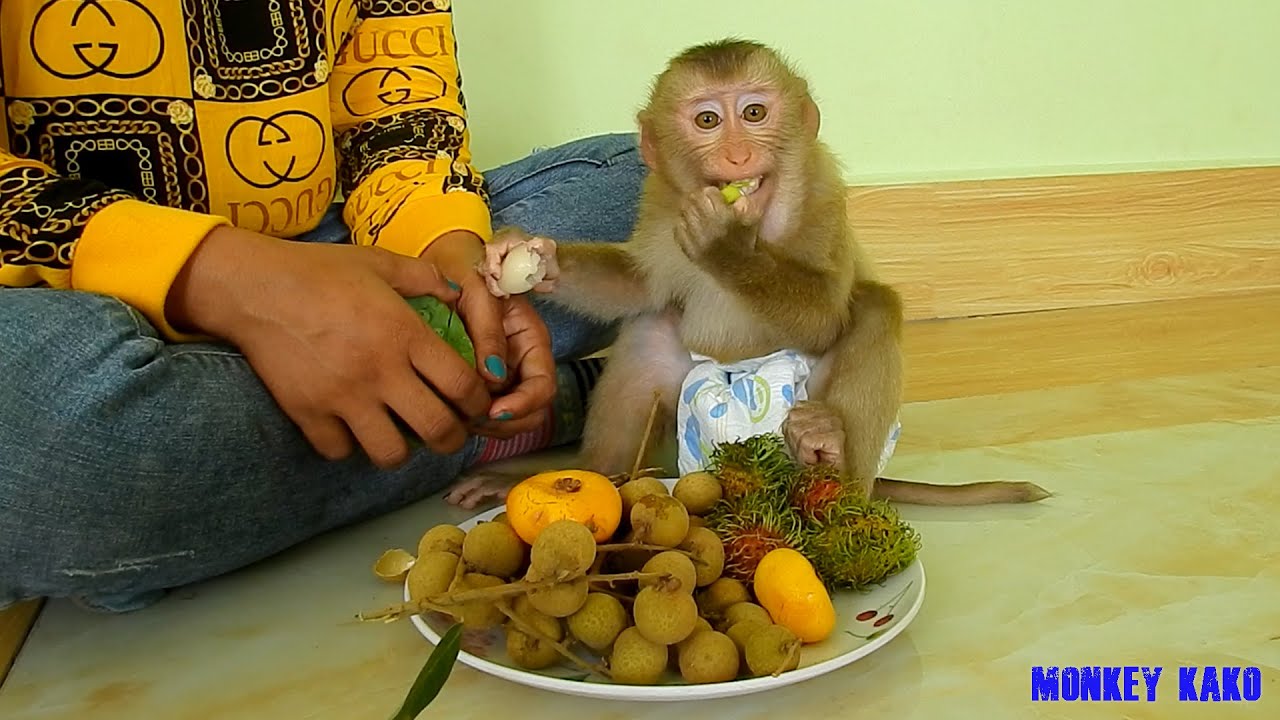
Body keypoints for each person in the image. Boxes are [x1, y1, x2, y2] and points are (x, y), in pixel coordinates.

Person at [0, 1, 645, 612]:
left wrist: (453, 260)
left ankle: (230, 446)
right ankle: (511, 413)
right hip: (53, 285)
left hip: (330, 250)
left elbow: (398, 115)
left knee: (645, 182)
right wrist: (223, 278)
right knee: (50, 452)